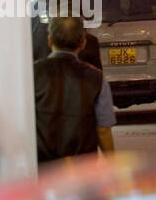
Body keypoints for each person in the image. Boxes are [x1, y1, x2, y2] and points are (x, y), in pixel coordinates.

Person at [33, 17, 115, 163]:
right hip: (82, 169)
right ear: (83, 43)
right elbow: (103, 130)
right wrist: (113, 164)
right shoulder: (97, 78)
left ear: (50, 40)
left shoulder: (33, 74)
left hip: (44, 166)